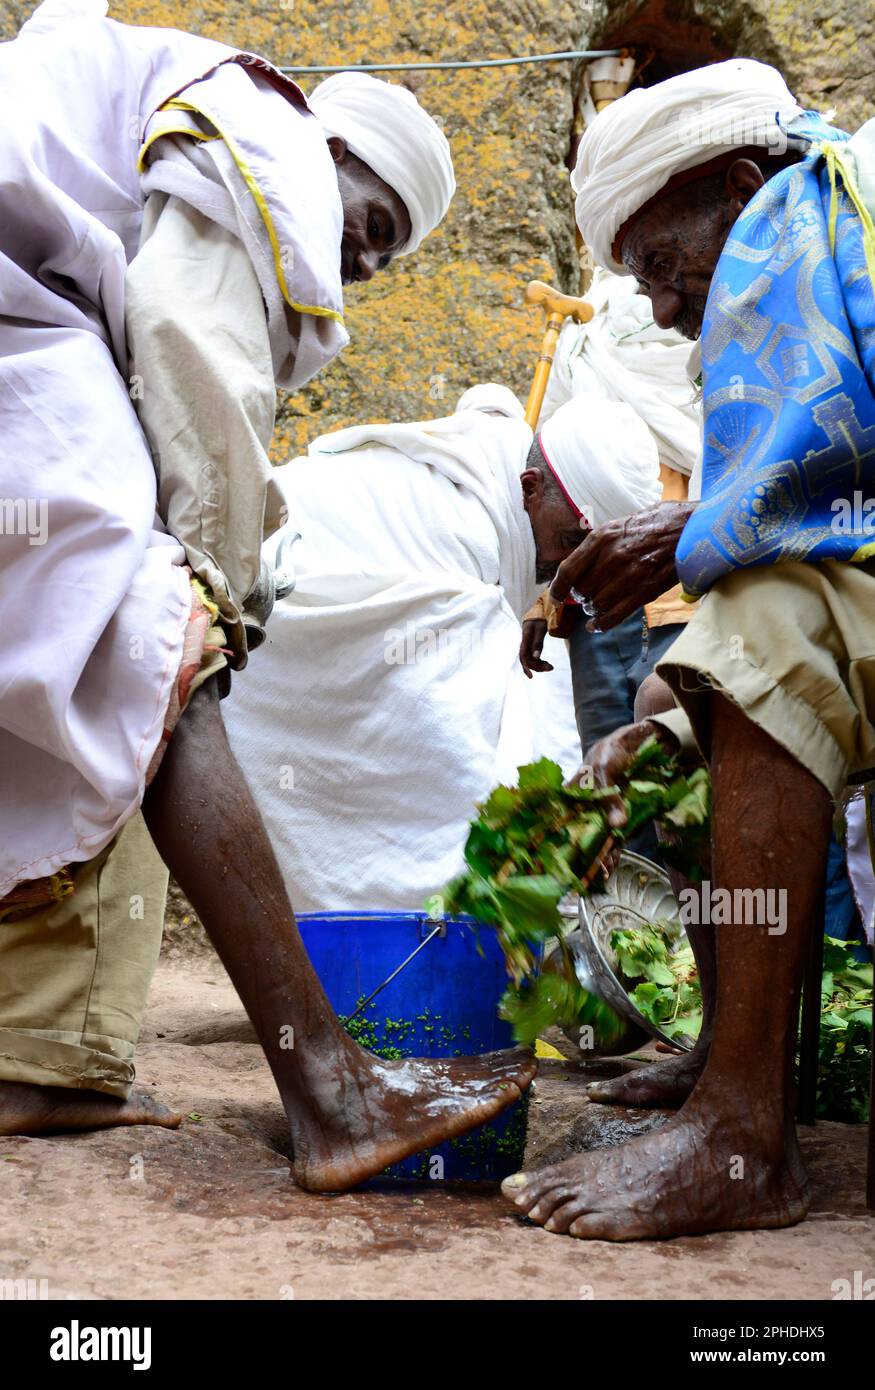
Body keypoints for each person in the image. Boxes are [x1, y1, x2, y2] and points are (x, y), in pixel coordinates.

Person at [0, 2, 539, 1191]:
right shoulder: (265, 133)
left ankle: (28, 1064)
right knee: (157, 643)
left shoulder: (170, 122)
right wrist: (213, 580)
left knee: (89, 662)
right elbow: (195, 342)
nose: (363, 264)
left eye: (387, 258)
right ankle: (334, 1090)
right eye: (372, 225)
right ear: (330, 154)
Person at [502, 58, 875, 1239]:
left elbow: (801, 532)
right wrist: (666, 707)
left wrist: (682, 532)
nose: (659, 308)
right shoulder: (821, 222)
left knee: (759, 622)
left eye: (659, 266)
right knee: (687, 701)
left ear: (731, 179)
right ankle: (738, 1063)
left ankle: (737, 1139)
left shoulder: (793, 217)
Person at [224, 389, 658, 912]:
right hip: (262, 609)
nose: (570, 567)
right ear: (530, 487)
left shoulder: (496, 487)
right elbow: (451, 745)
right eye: (570, 542)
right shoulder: (463, 527)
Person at [520, 268, 701, 766]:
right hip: (587, 611)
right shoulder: (581, 344)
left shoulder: (695, 351)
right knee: (606, 777)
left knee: (688, 770)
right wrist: (540, 604)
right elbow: (547, 484)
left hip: (679, 598)